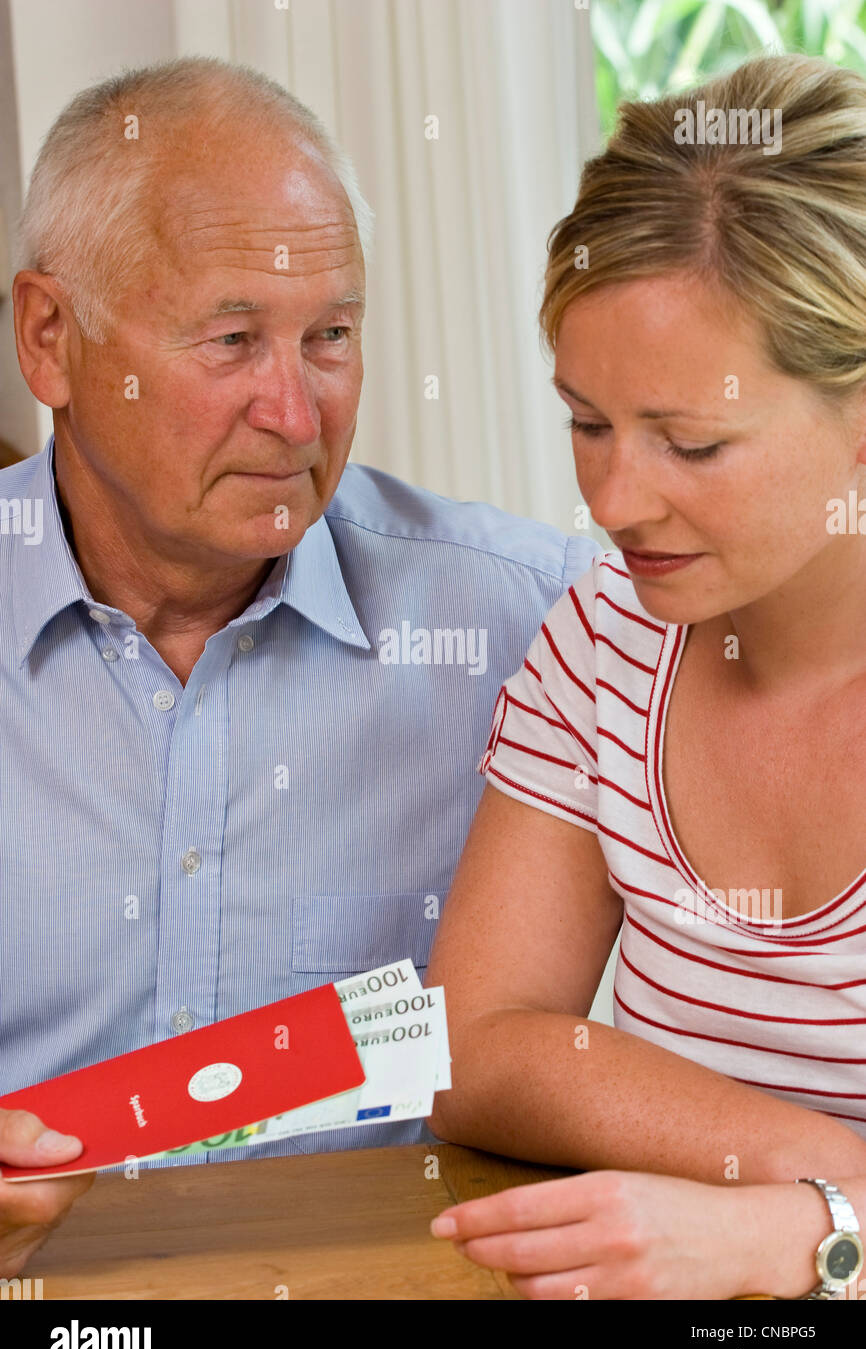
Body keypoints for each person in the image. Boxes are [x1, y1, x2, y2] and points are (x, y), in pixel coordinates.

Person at [0, 56, 600, 1278]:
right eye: (231, 340)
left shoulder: (535, 625)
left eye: (329, 336)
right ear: (51, 341)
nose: (294, 409)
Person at [426, 52, 866, 1300]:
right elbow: (470, 1040)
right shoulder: (606, 636)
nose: (613, 501)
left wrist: (803, 1237)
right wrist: (810, 1170)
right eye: (586, 422)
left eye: (691, 441)